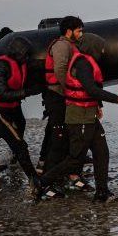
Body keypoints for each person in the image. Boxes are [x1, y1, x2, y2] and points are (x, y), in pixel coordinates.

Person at [37, 34, 118, 202]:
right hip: (79, 117)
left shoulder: (85, 61)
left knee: (102, 153)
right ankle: (41, 183)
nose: (102, 53)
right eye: (100, 49)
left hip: (89, 115)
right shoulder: (82, 64)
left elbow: (91, 90)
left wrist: (97, 105)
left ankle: (102, 192)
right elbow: (90, 89)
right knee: (74, 160)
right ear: (92, 48)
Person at [0, 36, 46, 195]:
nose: (27, 57)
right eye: (25, 54)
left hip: (7, 112)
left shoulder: (21, 63)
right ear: (18, 53)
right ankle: (35, 181)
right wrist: (29, 91)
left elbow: (36, 65)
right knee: (20, 146)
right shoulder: (0, 66)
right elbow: (3, 93)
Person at [39, 16, 83, 176]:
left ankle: (58, 171)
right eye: (78, 31)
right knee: (58, 137)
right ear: (69, 31)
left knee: (61, 135)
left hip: (62, 95)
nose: (81, 34)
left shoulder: (70, 45)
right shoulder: (61, 46)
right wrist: (71, 91)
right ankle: (49, 176)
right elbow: (60, 70)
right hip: (57, 95)